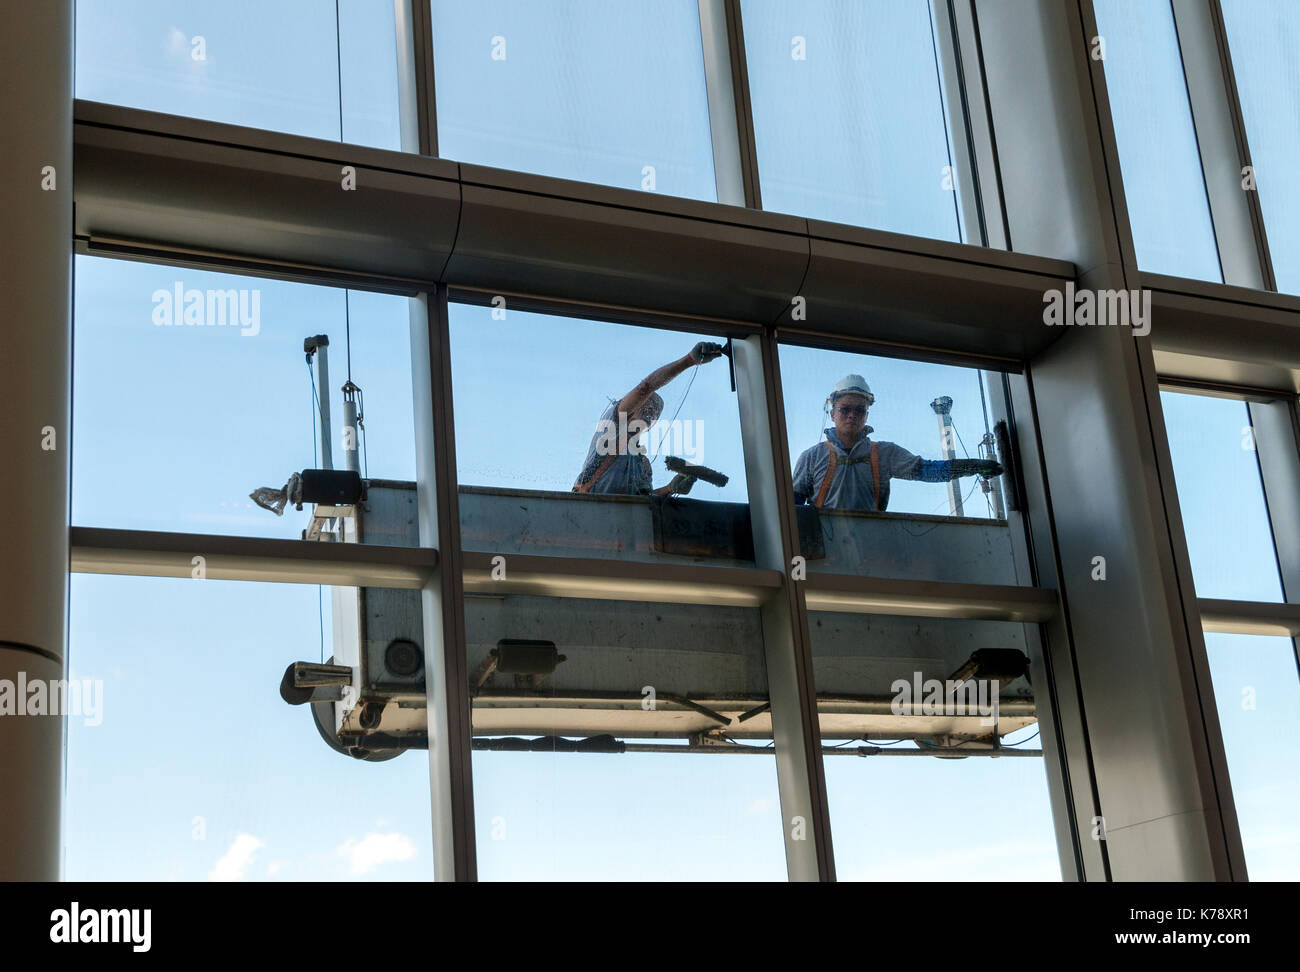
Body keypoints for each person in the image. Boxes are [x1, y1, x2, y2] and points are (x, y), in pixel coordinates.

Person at [792, 375, 1002, 511]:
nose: (851, 415)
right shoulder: (812, 457)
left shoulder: (884, 454)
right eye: (845, 409)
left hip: (871, 546)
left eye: (859, 410)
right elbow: (793, 505)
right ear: (832, 414)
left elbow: (927, 470)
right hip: (826, 551)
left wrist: (973, 466)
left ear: (866, 415)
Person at [573, 341, 726, 496]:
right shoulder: (614, 423)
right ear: (634, 406)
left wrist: (670, 488)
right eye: (648, 404)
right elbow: (646, 386)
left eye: (657, 412)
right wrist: (689, 361)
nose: (652, 411)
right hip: (587, 506)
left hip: (620, 517)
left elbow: (644, 499)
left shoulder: (643, 464)